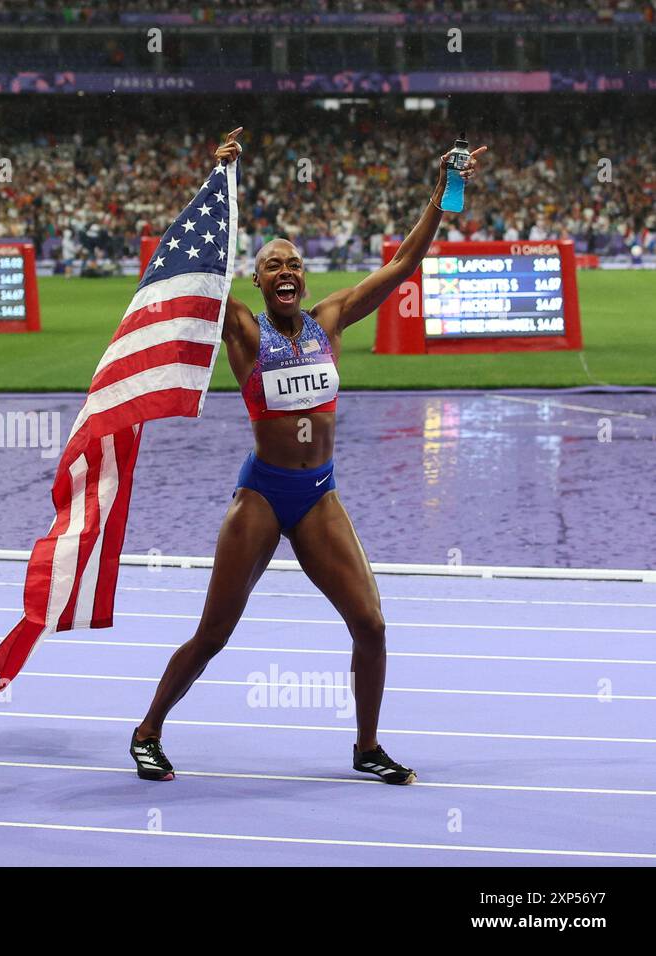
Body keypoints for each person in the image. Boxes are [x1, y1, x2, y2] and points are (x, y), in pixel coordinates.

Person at [130, 128, 486, 785]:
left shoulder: (332, 319)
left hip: (319, 493)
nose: (286, 272)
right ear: (258, 281)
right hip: (264, 494)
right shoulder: (242, 328)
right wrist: (218, 176)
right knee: (213, 634)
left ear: (304, 276)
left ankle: (367, 746)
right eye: (273, 266)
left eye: (293, 264)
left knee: (371, 625)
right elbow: (190, 272)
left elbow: (404, 264)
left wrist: (443, 191)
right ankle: (148, 730)